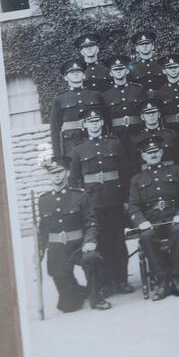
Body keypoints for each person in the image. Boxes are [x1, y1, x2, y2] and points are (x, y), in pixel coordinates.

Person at [68, 106, 133, 294]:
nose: (94, 125)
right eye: (90, 122)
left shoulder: (115, 144)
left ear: (102, 123)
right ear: (85, 125)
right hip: (93, 204)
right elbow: (74, 180)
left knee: (118, 242)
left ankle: (121, 280)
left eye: (97, 121)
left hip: (114, 200)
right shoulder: (78, 150)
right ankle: (105, 283)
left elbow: (125, 172)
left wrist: (126, 199)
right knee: (100, 243)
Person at [35, 151, 110, 312]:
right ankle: (81, 292)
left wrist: (90, 241)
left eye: (60, 172)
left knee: (92, 258)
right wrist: (39, 250)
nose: (56, 176)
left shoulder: (80, 196)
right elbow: (43, 229)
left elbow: (91, 223)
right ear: (48, 175)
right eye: (52, 173)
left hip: (78, 245)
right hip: (57, 250)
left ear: (67, 172)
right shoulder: (44, 200)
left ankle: (96, 297)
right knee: (68, 306)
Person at [127, 135, 179, 299]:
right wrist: (142, 222)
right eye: (149, 152)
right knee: (147, 236)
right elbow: (133, 206)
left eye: (156, 151)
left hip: (173, 218)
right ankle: (163, 281)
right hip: (152, 223)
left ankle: (176, 277)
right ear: (143, 156)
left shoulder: (176, 170)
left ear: (161, 152)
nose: (153, 155)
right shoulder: (137, 179)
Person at [49, 59, 105, 163]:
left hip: (94, 141)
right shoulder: (60, 99)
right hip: (71, 145)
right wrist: (58, 155)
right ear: (66, 77)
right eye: (72, 72)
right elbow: (55, 129)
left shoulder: (95, 95)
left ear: (84, 75)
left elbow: (105, 122)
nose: (76, 74)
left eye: (78, 72)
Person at [101, 55, 147, 149]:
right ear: (111, 73)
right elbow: (106, 119)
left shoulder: (138, 90)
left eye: (121, 69)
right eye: (115, 70)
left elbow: (145, 112)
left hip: (137, 131)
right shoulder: (106, 95)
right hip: (117, 135)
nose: (118, 71)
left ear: (127, 71)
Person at [131, 102, 179, 169]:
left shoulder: (170, 134)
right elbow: (136, 162)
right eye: (147, 113)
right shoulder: (137, 138)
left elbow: (178, 157)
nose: (151, 115)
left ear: (159, 114)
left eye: (154, 112)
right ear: (142, 117)